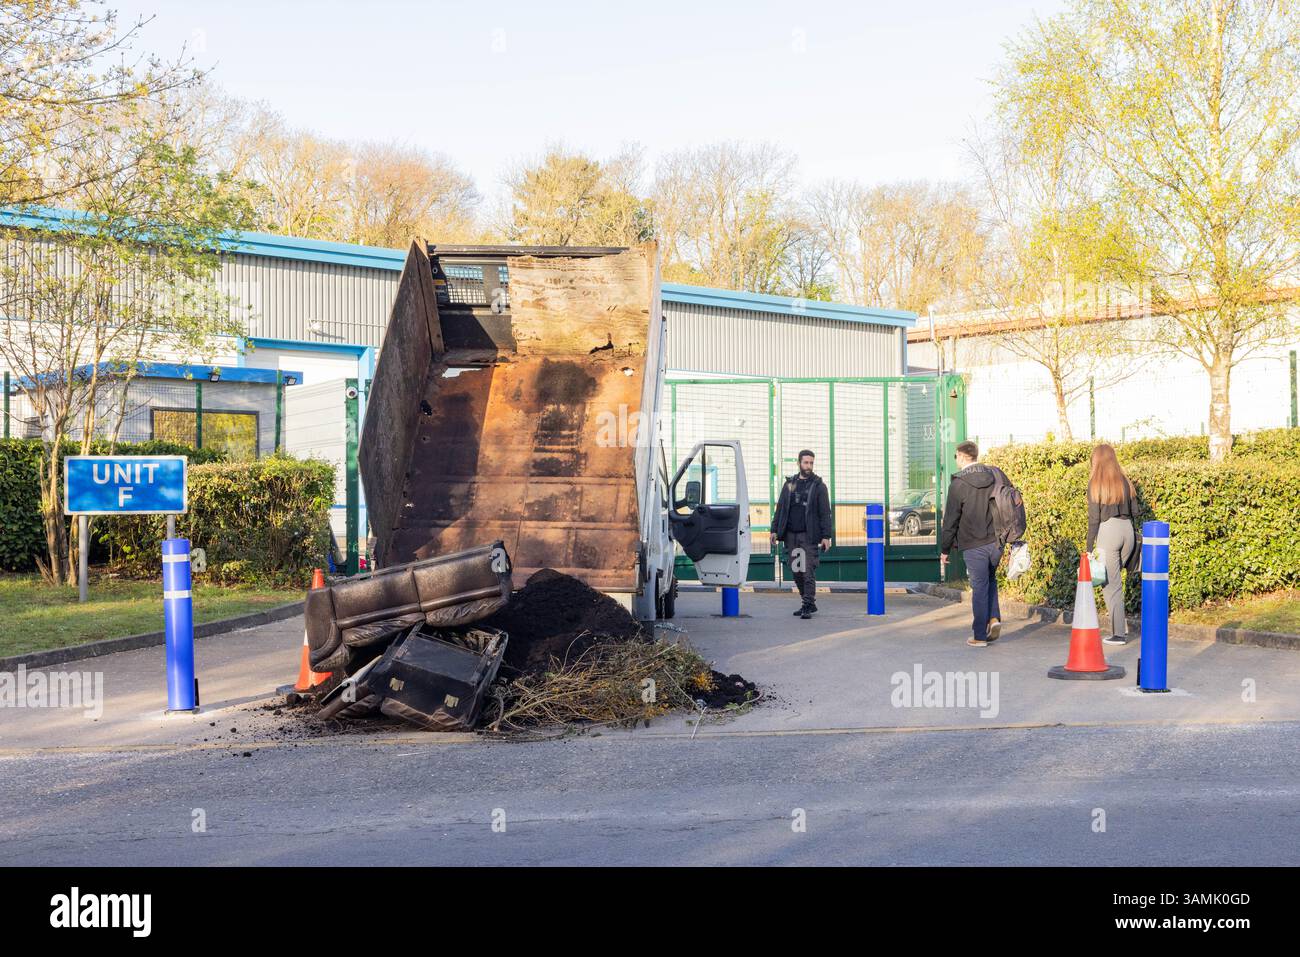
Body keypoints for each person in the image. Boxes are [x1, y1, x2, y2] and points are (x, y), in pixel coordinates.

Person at [939, 441, 1004, 647]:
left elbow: (950, 520)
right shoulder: (993, 475)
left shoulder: (958, 484)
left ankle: (979, 636)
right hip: (996, 542)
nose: (955, 460)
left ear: (962, 456)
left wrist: (945, 549)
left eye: (955, 456)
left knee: (979, 587)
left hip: (973, 545)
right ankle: (993, 619)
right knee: (990, 580)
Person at [770, 449, 833, 619]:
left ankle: (807, 604)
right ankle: (809, 603)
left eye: (811, 463)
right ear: (799, 463)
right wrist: (774, 530)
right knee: (796, 570)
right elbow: (780, 509)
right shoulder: (789, 484)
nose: (809, 466)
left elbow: (825, 513)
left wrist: (826, 536)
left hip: (809, 536)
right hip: (791, 535)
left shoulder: (819, 486)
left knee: (807, 571)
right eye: (806, 462)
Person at [1086, 443, 1138, 645]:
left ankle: (1118, 634)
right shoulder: (1125, 481)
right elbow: (1136, 511)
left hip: (1108, 532)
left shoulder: (1095, 483)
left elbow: (1094, 519)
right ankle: (1120, 625)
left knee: (1111, 585)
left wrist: (1089, 548)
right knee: (1117, 582)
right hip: (1128, 531)